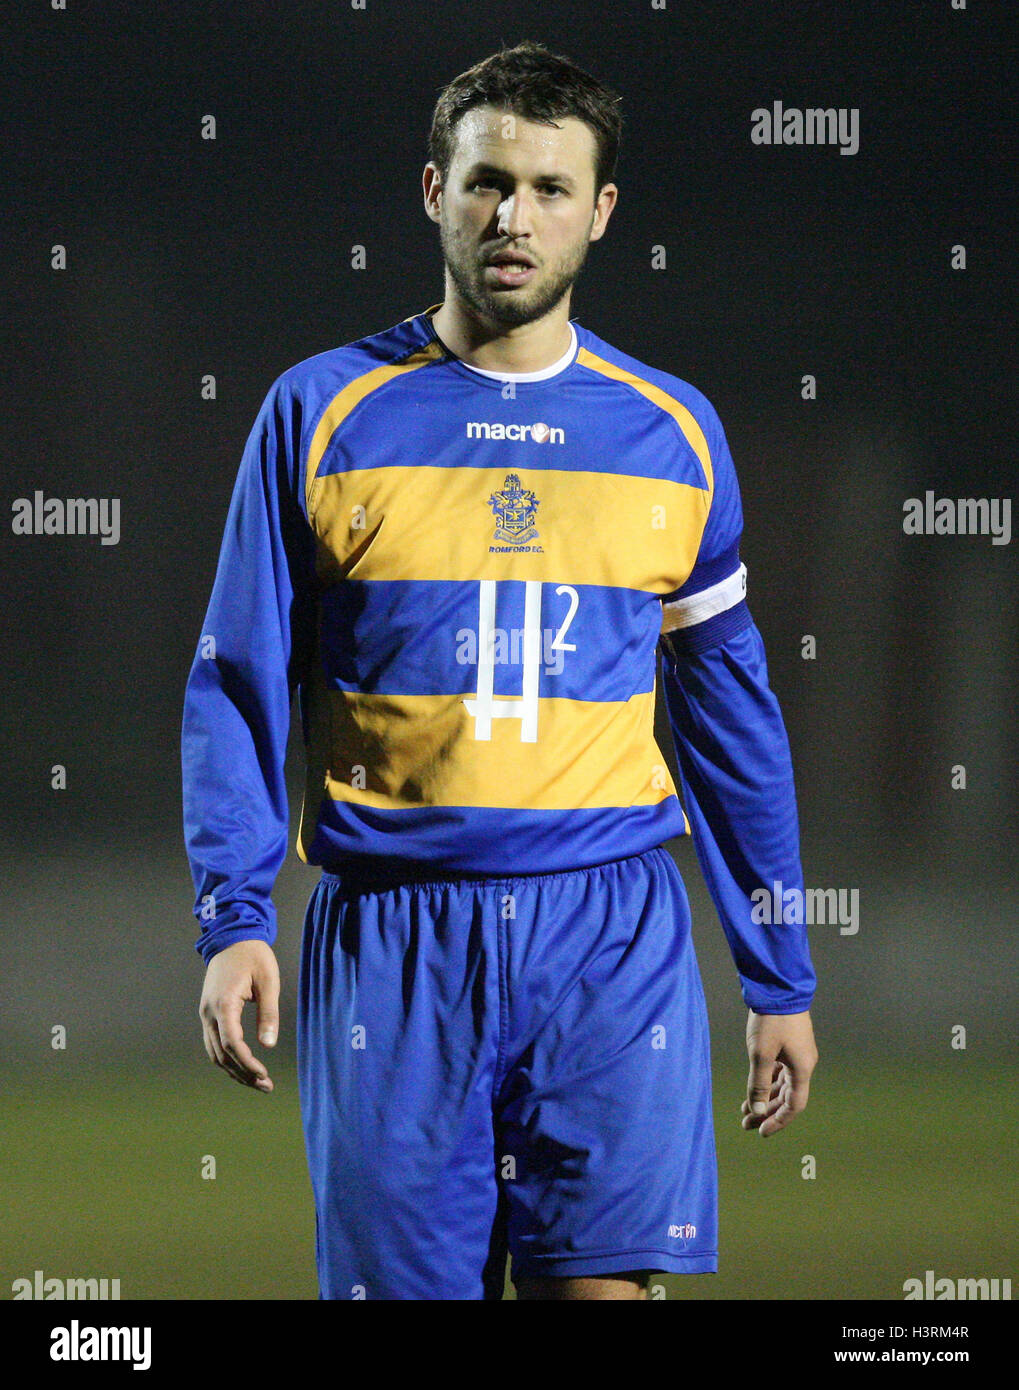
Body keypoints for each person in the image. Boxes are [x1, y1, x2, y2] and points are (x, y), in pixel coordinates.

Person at [181, 40, 818, 1302]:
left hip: (610, 933)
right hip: (394, 941)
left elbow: (730, 715)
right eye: (484, 183)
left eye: (545, 188)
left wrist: (779, 969)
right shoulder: (320, 411)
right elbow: (238, 682)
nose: (511, 217)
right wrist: (233, 915)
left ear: (600, 212)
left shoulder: (675, 434)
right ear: (433, 192)